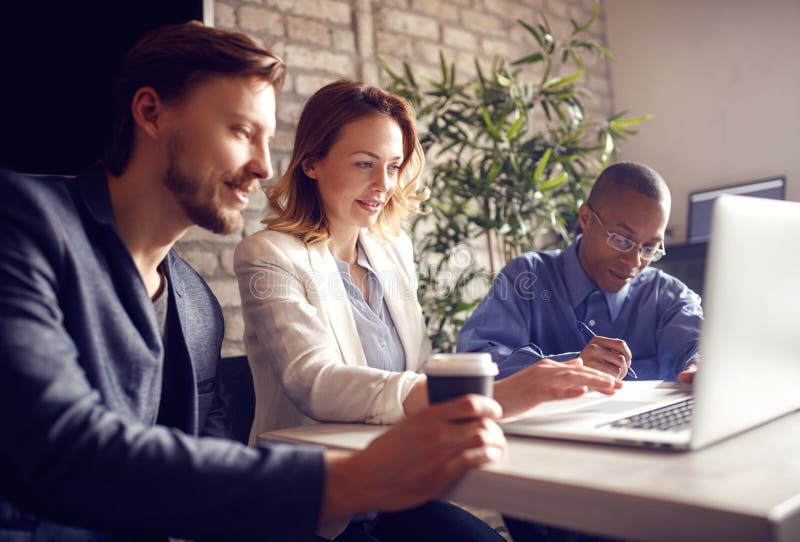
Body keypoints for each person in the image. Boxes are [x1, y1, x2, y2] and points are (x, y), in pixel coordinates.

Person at [0, 22, 511, 542]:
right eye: (242, 132)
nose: (265, 167)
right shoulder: (22, 223)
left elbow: (197, 467)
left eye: (267, 141)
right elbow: (59, 446)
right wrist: (353, 479)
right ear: (151, 113)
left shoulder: (197, 305)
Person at [457, 162, 702, 385]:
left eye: (649, 248)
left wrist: (702, 365)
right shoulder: (526, 278)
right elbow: (475, 363)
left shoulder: (669, 297)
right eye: (621, 240)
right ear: (585, 218)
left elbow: (699, 349)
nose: (633, 262)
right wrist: (571, 366)